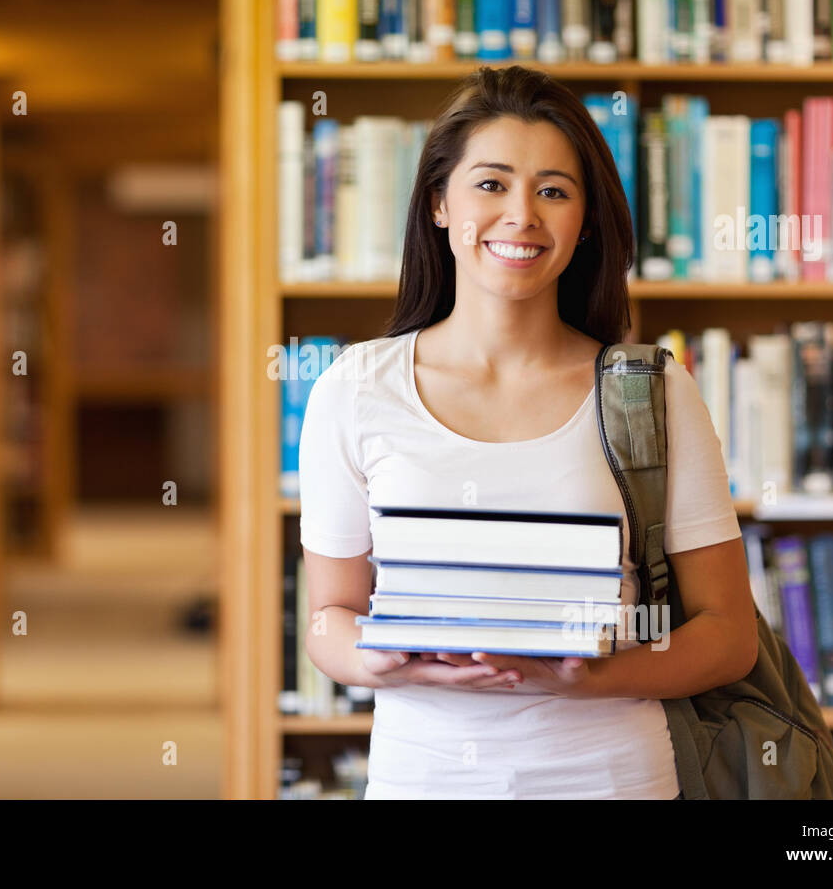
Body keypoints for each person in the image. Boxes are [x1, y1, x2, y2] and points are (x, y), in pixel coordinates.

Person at [297, 65, 758, 799]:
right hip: (424, 778)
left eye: (553, 190)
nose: (522, 215)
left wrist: (588, 677)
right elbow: (328, 619)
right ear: (439, 204)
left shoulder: (651, 390)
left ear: (584, 221)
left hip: (612, 779)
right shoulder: (354, 389)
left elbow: (728, 636)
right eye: (491, 184)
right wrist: (379, 660)